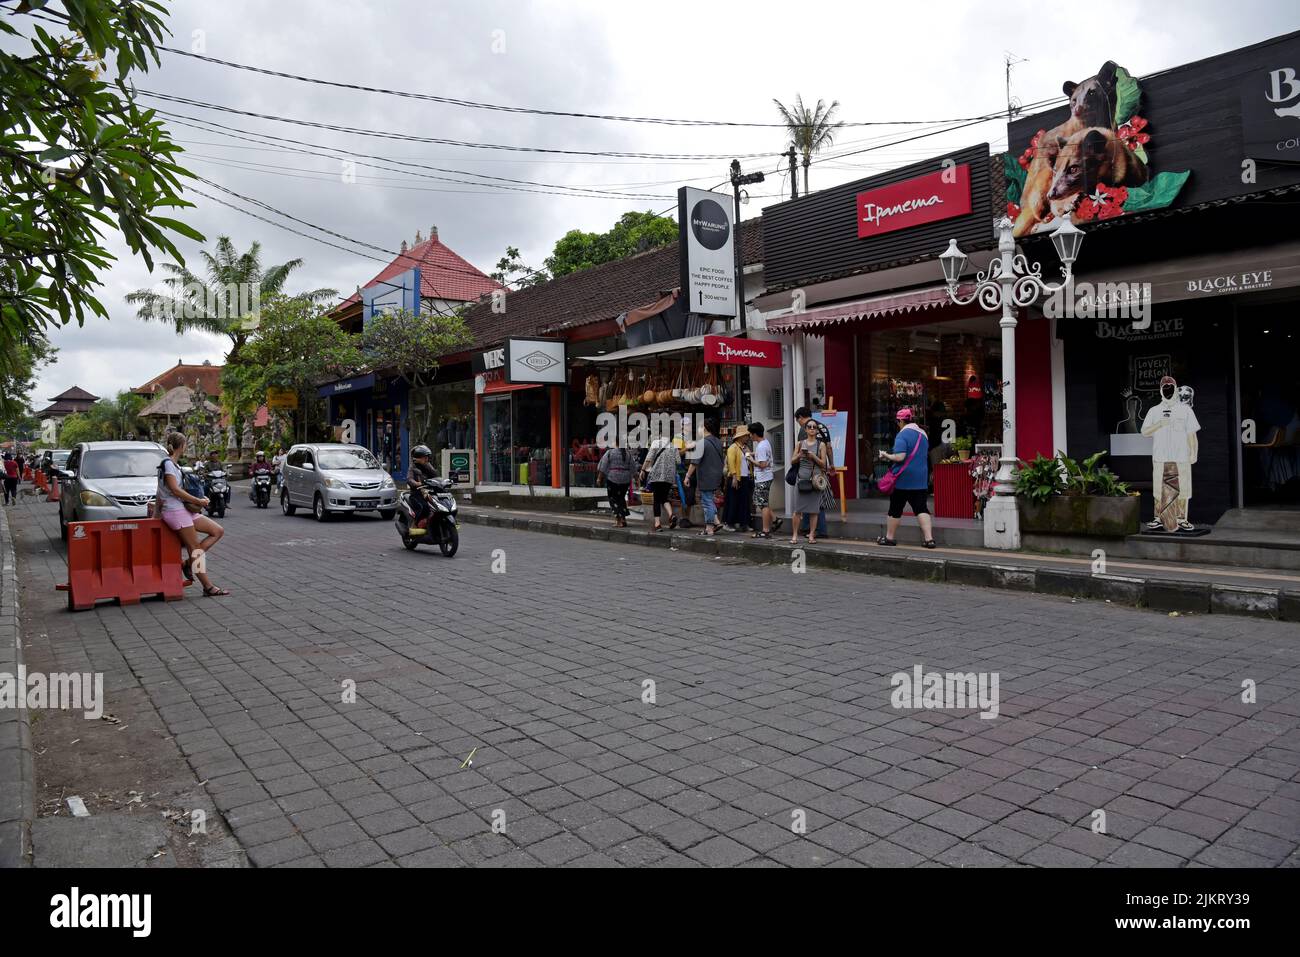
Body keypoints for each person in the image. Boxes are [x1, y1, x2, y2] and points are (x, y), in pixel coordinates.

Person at [156, 432, 229, 596]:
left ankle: (187, 563)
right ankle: (207, 587)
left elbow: (159, 492)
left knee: (217, 531)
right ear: (181, 446)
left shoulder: (174, 464)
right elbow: (175, 490)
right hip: (175, 511)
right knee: (195, 548)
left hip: (184, 509)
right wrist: (198, 501)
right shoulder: (167, 464)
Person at [877, 408, 936, 548]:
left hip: (903, 479)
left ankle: (889, 538)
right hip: (920, 478)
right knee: (921, 508)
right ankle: (929, 539)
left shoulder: (902, 435)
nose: (898, 424)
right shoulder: (923, 434)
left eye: (898, 422)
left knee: (895, 509)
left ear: (901, 421)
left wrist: (885, 455)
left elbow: (900, 457)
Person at [795, 407, 833, 539]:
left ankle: (810, 529)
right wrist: (831, 464)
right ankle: (818, 530)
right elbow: (829, 447)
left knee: (808, 499)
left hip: (809, 472)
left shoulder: (804, 429)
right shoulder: (822, 426)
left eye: (798, 420)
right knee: (818, 501)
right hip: (821, 471)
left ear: (800, 418)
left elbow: (802, 451)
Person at [685, 418, 726, 536]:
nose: (698, 429)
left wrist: (687, 476)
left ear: (704, 428)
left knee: (707, 501)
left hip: (706, 476)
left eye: (699, 427)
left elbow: (694, 462)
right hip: (717, 476)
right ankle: (716, 522)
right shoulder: (718, 441)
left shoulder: (701, 443)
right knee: (710, 500)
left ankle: (709, 528)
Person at [639, 431, 680, 531]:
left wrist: (643, 470)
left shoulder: (656, 443)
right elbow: (678, 461)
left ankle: (657, 524)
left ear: (661, 434)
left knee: (657, 499)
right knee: (664, 497)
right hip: (669, 477)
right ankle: (671, 515)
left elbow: (648, 458)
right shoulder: (674, 446)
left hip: (657, 475)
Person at [746, 422, 779, 539]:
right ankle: (775, 519)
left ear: (755, 434)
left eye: (750, 434)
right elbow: (763, 456)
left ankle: (765, 530)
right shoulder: (765, 443)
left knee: (763, 504)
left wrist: (750, 459)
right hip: (767, 477)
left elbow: (762, 464)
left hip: (762, 477)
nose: (750, 436)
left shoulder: (760, 446)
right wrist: (753, 454)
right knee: (762, 501)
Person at [596, 443, 635, 528]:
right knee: (621, 498)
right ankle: (623, 519)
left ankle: (618, 521)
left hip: (613, 478)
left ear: (615, 442)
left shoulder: (610, 452)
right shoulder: (628, 454)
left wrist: (599, 478)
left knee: (613, 499)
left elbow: (603, 466)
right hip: (625, 479)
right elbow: (633, 467)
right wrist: (637, 479)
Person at [723, 425, 752, 533]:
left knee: (744, 502)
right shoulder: (733, 448)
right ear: (741, 436)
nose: (748, 437)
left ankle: (744, 523)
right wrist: (734, 476)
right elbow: (731, 463)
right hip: (736, 477)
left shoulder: (745, 448)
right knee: (733, 501)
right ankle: (729, 523)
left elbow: (749, 460)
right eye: (746, 435)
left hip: (744, 477)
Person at [406, 444, 439, 528]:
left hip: (429, 492)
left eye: (427, 457)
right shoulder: (412, 467)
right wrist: (417, 483)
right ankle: (415, 524)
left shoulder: (427, 465)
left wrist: (427, 465)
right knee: (424, 507)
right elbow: (409, 479)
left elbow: (435, 475)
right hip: (417, 494)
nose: (427, 459)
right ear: (418, 457)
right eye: (424, 457)